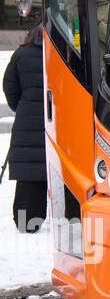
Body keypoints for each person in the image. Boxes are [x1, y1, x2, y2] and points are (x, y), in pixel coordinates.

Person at [4, 26, 47, 231]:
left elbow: (9, 86)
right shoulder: (66, 54)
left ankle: (27, 219)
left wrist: (22, 105)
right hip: (60, 118)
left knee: (29, 170)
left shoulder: (21, 54)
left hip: (27, 119)